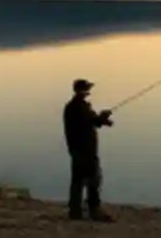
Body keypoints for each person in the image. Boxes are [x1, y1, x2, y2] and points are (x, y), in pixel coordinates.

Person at [63, 78, 115, 221]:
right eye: (87, 89)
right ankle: (94, 211)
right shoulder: (79, 107)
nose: (88, 92)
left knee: (78, 181)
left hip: (77, 150)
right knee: (94, 179)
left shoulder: (74, 107)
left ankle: (75, 212)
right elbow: (90, 121)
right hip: (85, 150)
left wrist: (103, 119)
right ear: (81, 91)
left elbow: (91, 121)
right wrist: (102, 118)